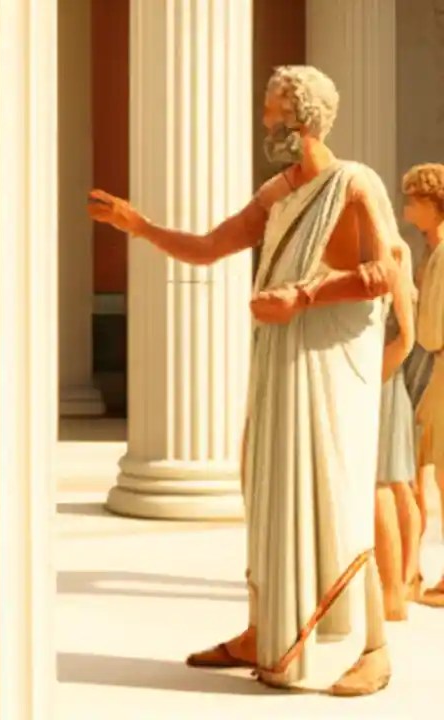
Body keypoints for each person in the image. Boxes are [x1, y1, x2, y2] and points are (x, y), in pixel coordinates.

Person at [88, 65, 400, 695]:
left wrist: (302, 296)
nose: (266, 120)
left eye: (274, 108)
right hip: (279, 362)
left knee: (334, 499)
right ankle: (266, 628)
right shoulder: (278, 192)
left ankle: (375, 648)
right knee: (270, 493)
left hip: (328, 369)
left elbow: (381, 275)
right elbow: (210, 246)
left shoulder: (353, 183)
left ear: (304, 117)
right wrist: (141, 227)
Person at [371, 242, 420, 620]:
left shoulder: (394, 264)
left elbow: (405, 339)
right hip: (378, 382)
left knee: (387, 484)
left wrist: (375, 379)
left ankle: (397, 588)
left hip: (384, 384)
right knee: (389, 484)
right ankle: (395, 584)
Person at [404, 162, 444, 606]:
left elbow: (431, 329)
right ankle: (408, 570)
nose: (408, 209)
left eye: (415, 201)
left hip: (434, 369)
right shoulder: (430, 252)